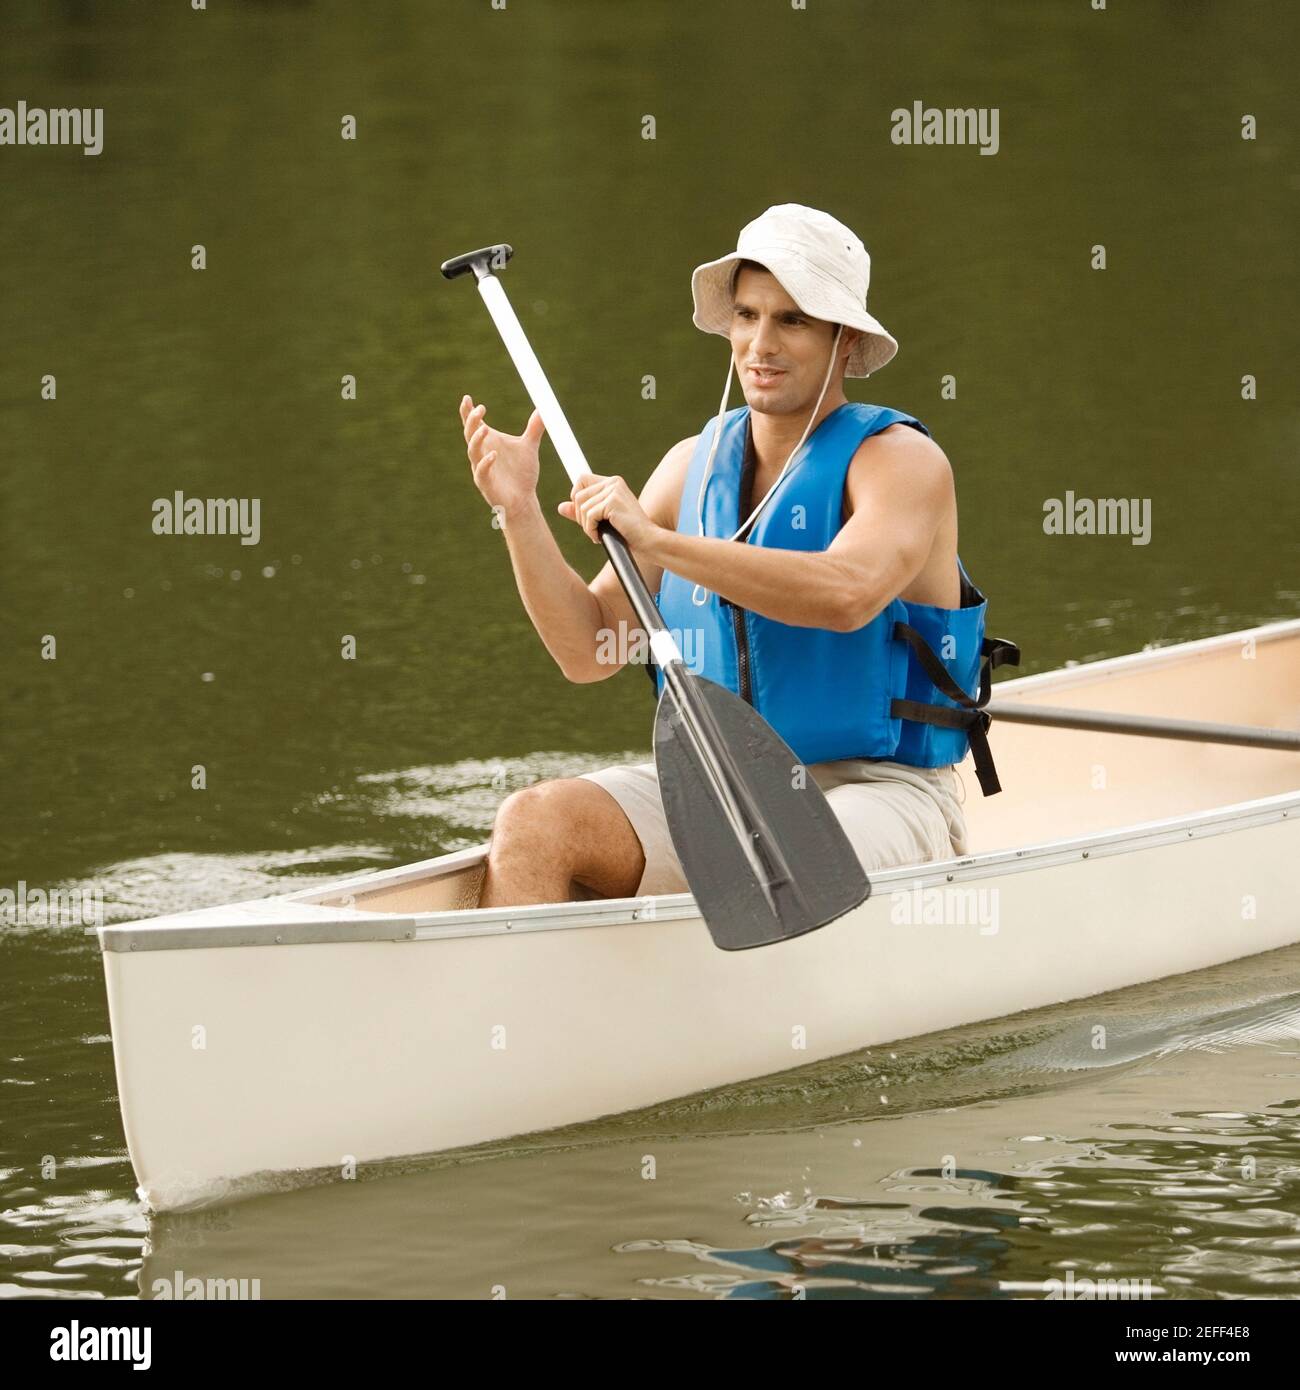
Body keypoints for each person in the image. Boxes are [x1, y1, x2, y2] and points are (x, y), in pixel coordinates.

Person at [458, 203, 1014, 908]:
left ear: (845, 341)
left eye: (793, 320)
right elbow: (590, 648)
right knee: (536, 822)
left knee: (777, 857)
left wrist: (657, 541)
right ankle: (514, 1015)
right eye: (747, 316)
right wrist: (519, 510)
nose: (761, 344)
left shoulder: (902, 463)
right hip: (721, 784)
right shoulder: (691, 467)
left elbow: (846, 594)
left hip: (880, 790)